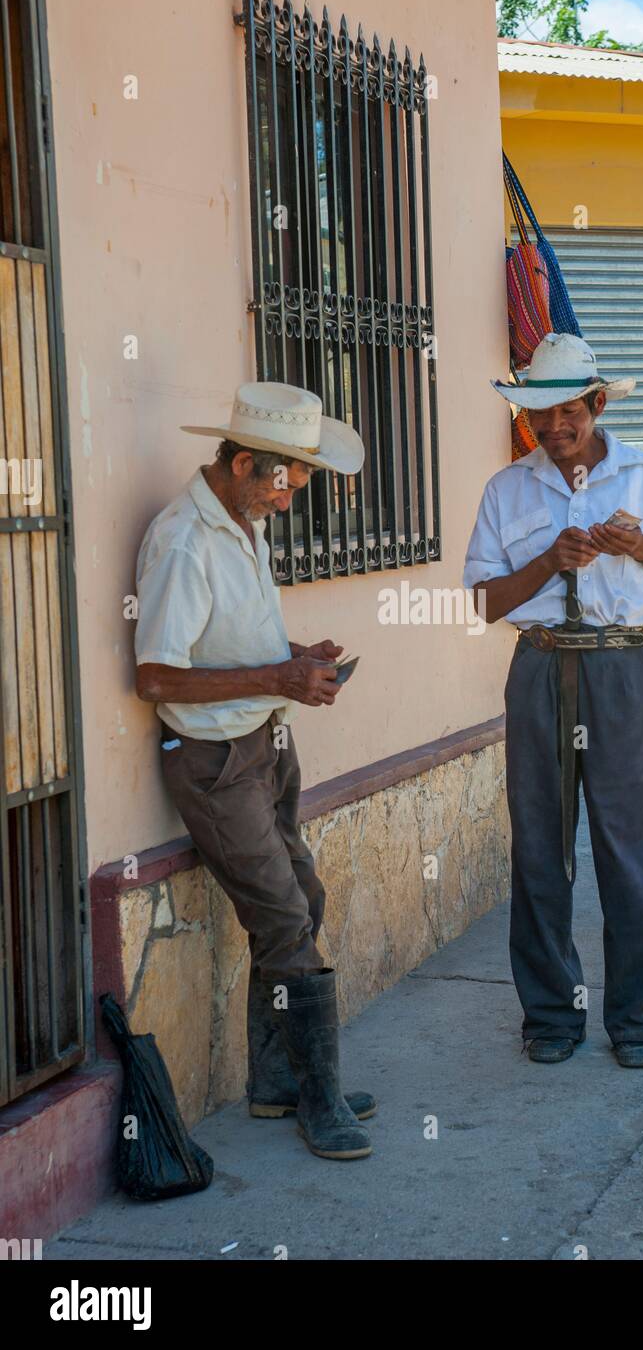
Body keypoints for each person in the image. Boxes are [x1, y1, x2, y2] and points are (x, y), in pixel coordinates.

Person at [134, 381, 375, 1159]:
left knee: (301, 897)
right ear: (242, 463)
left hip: (263, 741)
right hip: (213, 759)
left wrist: (292, 659)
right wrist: (278, 680)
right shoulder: (183, 540)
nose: (289, 497)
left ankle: (277, 1081)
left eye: (298, 483)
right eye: (284, 481)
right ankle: (318, 1100)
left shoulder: (242, 521)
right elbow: (158, 679)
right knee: (282, 918)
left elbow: (227, 642)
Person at [463, 333, 643, 1068]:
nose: (553, 429)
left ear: (597, 405)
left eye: (567, 412)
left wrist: (637, 548)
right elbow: (481, 602)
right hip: (539, 671)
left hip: (622, 669)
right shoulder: (507, 489)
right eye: (539, 416)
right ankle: (549, 1018)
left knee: (628, 848)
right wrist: (550, 559)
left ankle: (636, 1022)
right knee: (539, 848)